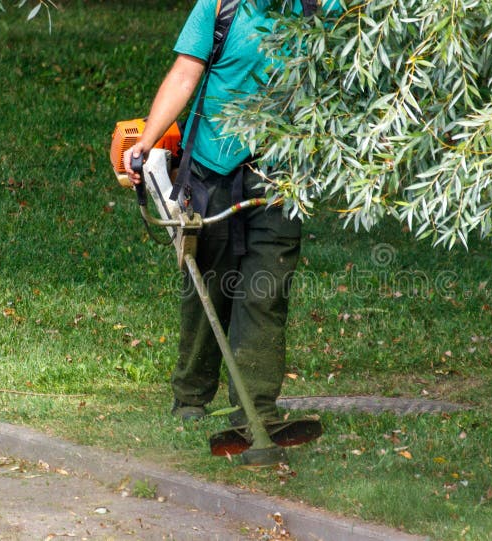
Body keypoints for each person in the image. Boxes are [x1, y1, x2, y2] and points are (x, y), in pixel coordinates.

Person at [123, 0, 335, 428]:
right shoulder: (220, 6)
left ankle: (256, 409)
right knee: (208, 287)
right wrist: (147, 141)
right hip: (211, 169)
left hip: (279, 175)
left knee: (265, 291)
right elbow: (185, 73)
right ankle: (191, 397)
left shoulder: (321, 8)